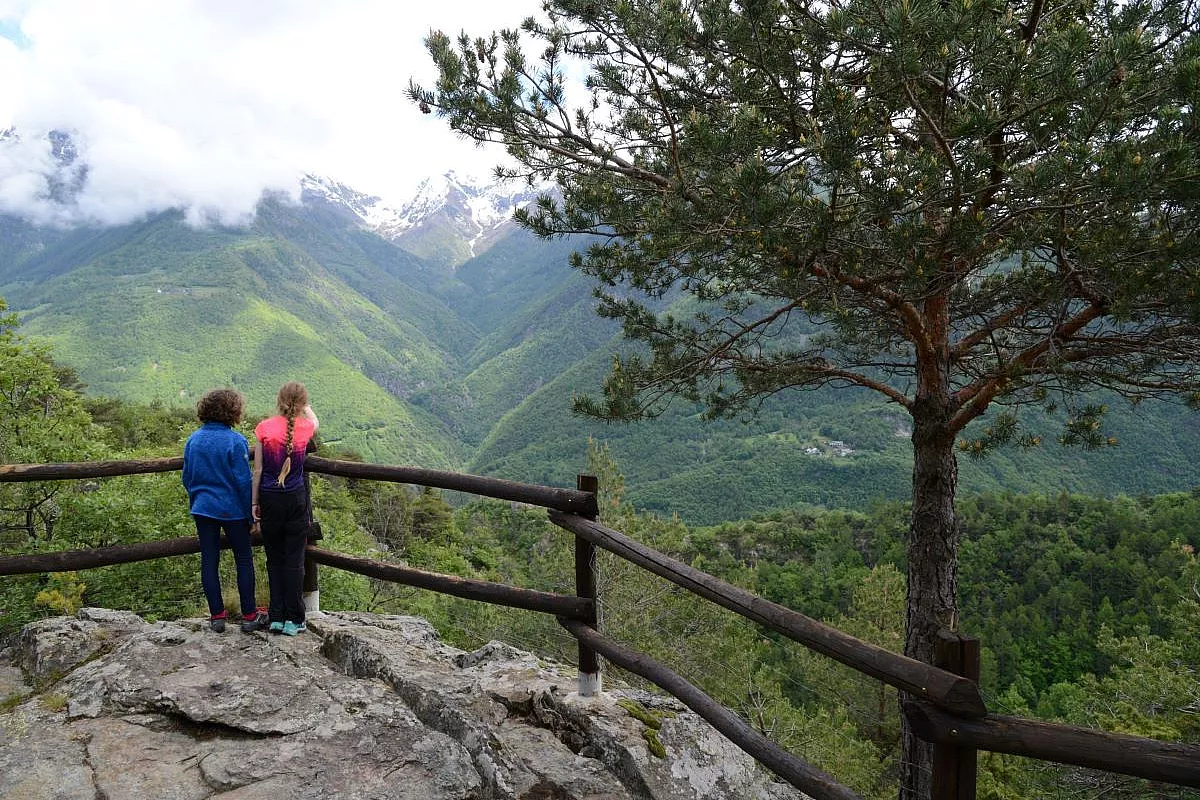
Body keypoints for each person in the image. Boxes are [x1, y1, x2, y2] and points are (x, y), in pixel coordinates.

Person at [182, 389, 267, 634]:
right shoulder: (235, 441)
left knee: (209, 560)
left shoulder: (193, 440)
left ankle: (217, 616)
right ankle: (249, 616)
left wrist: (197, 497)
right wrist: (251, 515)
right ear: (233, 412)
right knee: (243, 559)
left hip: (203, 509)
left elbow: (187, 477)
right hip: (232, 511)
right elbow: (242, 482)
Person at [252, 381, 319, 636]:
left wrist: (254, 503)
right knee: (294, 559)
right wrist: (306, 407)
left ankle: (276, 615)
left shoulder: (263, 428)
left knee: (274, 558)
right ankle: (295, 618)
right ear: (301, 404)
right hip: (295, 499)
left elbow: (257, 470)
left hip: (269, 498)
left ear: (278, 400)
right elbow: (315, 421)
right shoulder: (306, 427)